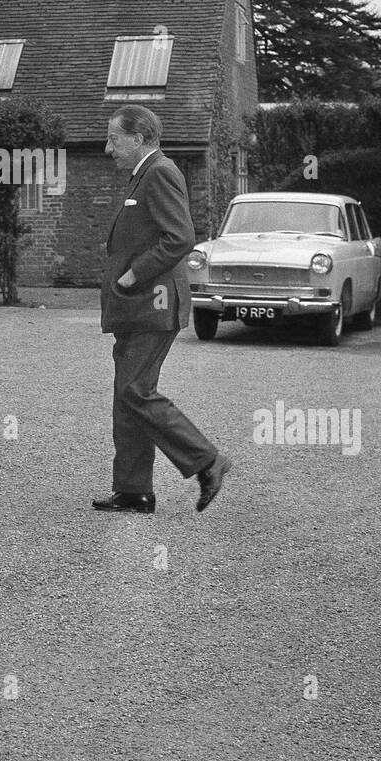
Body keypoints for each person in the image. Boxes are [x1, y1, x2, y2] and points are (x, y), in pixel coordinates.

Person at [94, 105, 230, 515]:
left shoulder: (161, 172)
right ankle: (134, 490)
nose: (108, 148)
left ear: (137, 139)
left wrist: (136, 274)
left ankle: (208, 460)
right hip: (136, 309)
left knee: (136, 391)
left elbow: (180, 237)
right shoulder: (143, 174)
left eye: (114, 139)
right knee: (127, 396)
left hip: (154, 305)